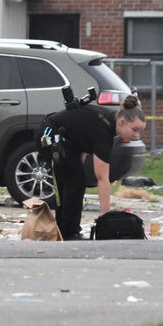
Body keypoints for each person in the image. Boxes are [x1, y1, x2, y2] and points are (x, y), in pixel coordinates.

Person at [40, 94, 146, 240]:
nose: (137, 135)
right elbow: (102, 178)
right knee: (75, 180)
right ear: (121, 122)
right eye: (134, 129)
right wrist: (106, 217)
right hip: (50, 134)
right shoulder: (104, 130)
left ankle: (64, 230)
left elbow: (81, 139)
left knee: (74, 180)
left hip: (66, 138)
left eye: (139, 131)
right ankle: (68, 232)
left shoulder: (107, 122)